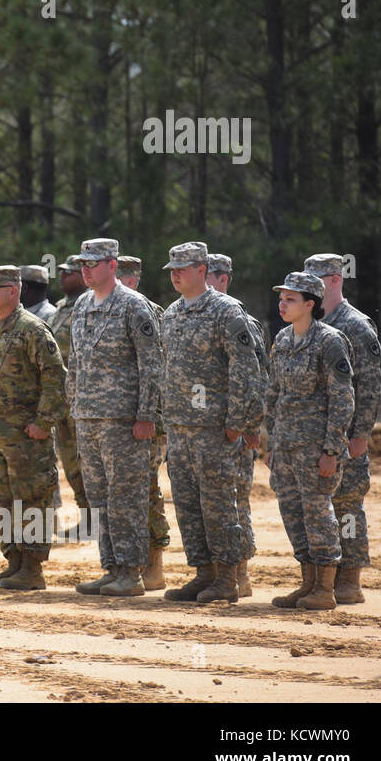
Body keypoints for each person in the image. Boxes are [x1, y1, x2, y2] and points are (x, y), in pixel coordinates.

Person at [159, 242, 264, 604]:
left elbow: (246, 371)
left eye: (182, 269)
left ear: (202, 270)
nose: (175, 275)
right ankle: (204, 573)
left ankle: (229, 577)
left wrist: (238, 422)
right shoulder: (171, 314)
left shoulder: (226, 311)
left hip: (215, 430)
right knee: (189, 506)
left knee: (220, 506)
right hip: (180, 429)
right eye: (172, 270)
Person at [66, 240, 163, 597]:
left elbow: (152, 364)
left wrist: (147, 414)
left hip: (123, 420)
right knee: (98, 497)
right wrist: (74, 403)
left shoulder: (134, 306)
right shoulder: (82, 304)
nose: (86, 270)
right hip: (88, 418)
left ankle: (132, 571)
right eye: (83, 264)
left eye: (93, 264)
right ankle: (112, 568)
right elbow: (75, 361)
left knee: (127, 497)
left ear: (112, 265)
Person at [266, 272, 354, 611]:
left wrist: (331, 449)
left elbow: (342, 398)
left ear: (310, 304)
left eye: (290, 299)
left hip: (315, 448)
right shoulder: (283, 339)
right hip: (286, 447)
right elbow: (274, 392)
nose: (282, 304)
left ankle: (325, 588)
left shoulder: (330, 341)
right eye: (281, 298)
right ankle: (307, 584)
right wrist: (272, 443)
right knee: (293, 514)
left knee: (318, 515)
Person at [0, 265, 67, 591]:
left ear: (12, 291)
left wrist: (44, 422)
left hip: (26, 437)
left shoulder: (33, 329)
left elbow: (56, 377)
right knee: (2, 500)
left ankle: (32, 568)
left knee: (31, 499)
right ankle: (13, 561)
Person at [303, 253, 381, 605]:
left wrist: (361, 434)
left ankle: (350, 578)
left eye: (318, 280)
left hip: (346, 438)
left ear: (335, 280)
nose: (311, 287)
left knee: (348, 507)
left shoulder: (355, 325)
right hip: (315, 438)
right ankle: (320, 579)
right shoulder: (309, 323)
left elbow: (372, 387)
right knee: (318, 508)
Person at [206, 252, 268, 597]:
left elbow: (257, 380)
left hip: (236, 430)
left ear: (223, 279)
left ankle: (240, 574)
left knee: (235, 500)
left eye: (210, 276)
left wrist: (250, 426)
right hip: (206, 429)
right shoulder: (197, 317)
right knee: (210, 503)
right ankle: (217, 572)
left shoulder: (243, 321)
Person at [116, 254, 170, 588]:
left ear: (132, 280)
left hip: (148, 419)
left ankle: (155, 563)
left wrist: (148, 415)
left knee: (146, 489)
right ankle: (124, 563)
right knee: (121, 492)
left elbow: (156, 369)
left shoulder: (149, 312)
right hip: (119, 418)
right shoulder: (106, 309)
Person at [49, 255, 89, 536]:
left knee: (86, 460)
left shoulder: (88, 305)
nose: (63, 276)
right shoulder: (60, 307)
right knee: (70, 460)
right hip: (59, 397)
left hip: (81, 396)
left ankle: (95, 517)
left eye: (69, 273)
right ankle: (86, 515)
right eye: (61, 272)